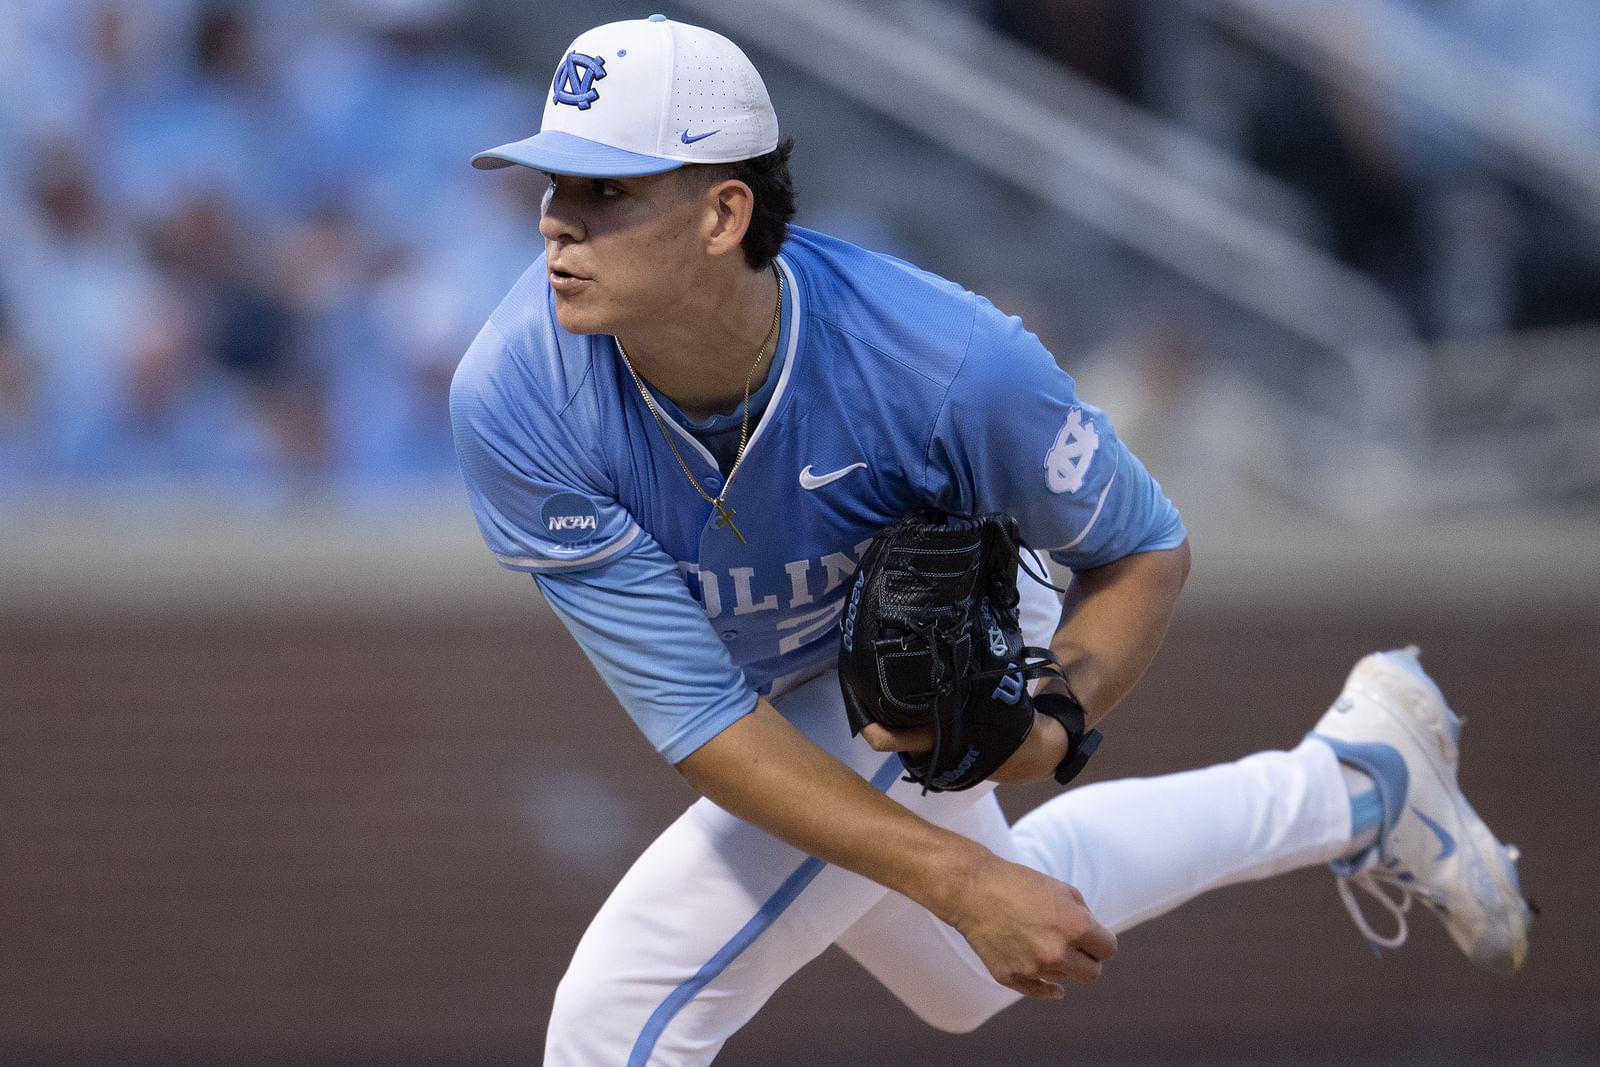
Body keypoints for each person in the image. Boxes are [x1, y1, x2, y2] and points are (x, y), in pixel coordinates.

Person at [449, 15, 1530, 1065]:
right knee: (962, 978)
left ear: (723, 213)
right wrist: (962, 880)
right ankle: (1357, 779)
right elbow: (705, 723)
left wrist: (1054, 716)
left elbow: (1145, 547)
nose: (555, 219)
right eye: (552, 182)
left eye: (606, 189)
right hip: (762, 688)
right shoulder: (517, 396)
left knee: (618, 1008)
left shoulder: (944, 359)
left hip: (947, 632)